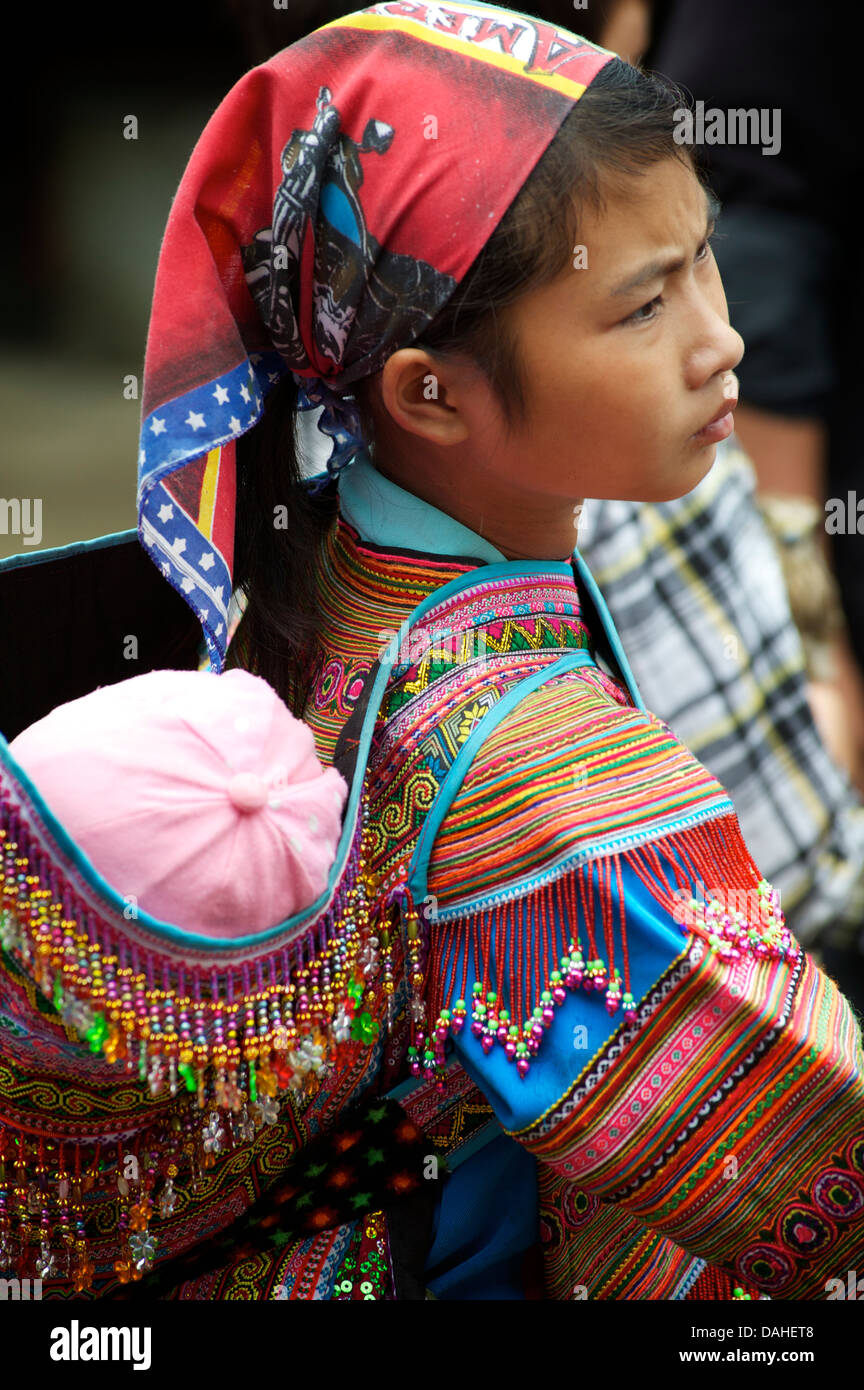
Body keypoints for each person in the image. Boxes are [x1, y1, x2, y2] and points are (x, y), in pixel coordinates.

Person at [1, 3, 863, 1300]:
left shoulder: (305, 571)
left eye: (706, 260)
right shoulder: (547, 777)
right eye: (642, 307)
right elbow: (816, 1175)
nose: (718, 338)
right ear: (429, 392)